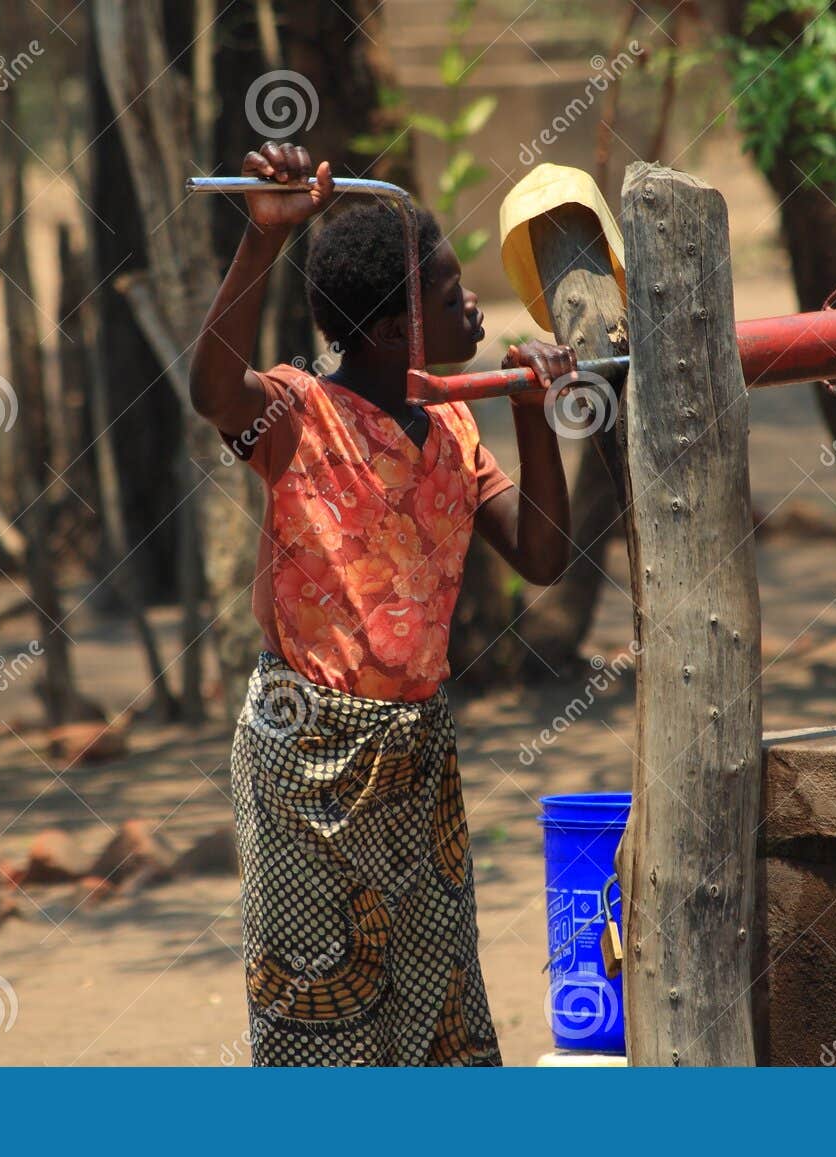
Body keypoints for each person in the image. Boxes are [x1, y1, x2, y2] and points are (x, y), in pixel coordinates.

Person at [188, 140, 575, 1066]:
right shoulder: (296, 417)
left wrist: (534, 412)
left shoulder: (449, 421)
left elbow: (542, 554)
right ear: (395, 328)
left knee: (434, 1005)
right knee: (320, 1010)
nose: (473, 305)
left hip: (416, 756)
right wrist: (263, 240)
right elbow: (211, 389)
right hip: (303, 758)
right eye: (450, 298)